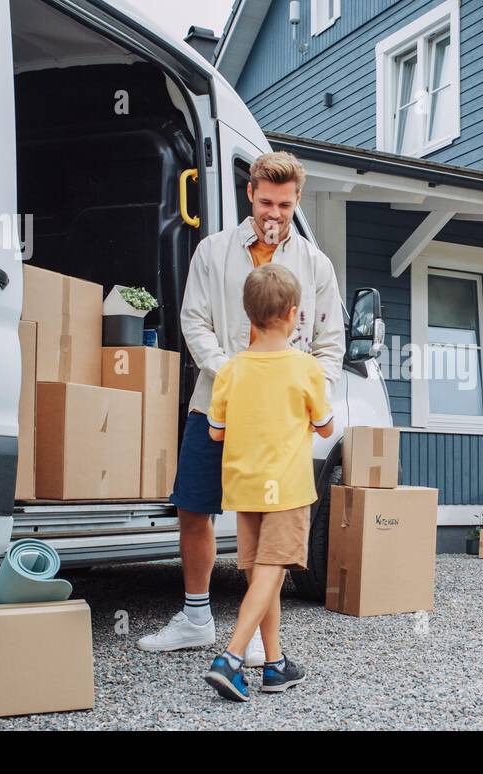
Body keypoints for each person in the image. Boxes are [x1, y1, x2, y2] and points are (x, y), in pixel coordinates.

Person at [137, 152, 345, 662]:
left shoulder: (316, 266)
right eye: (267, 202)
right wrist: (233, 374)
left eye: (286, 204)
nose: (275, 213)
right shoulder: (212, 251)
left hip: (280, 423)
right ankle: (195, 617)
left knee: (263, 524)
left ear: (297, 202)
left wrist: (295, 390)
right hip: (216, 402)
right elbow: (195, 324)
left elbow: (329, 346)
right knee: (193, 506)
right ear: (249, 194)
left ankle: (254, 634)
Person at [203, 263, 335, 702]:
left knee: (263, 574)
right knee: (273, 570)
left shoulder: (231, 370)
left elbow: (215, 431)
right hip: (288, 488)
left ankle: (275, 665)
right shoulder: (306, 368)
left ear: (249, 315)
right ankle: (232, 657)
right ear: (295, 314)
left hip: (244, 486)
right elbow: (326, 427)